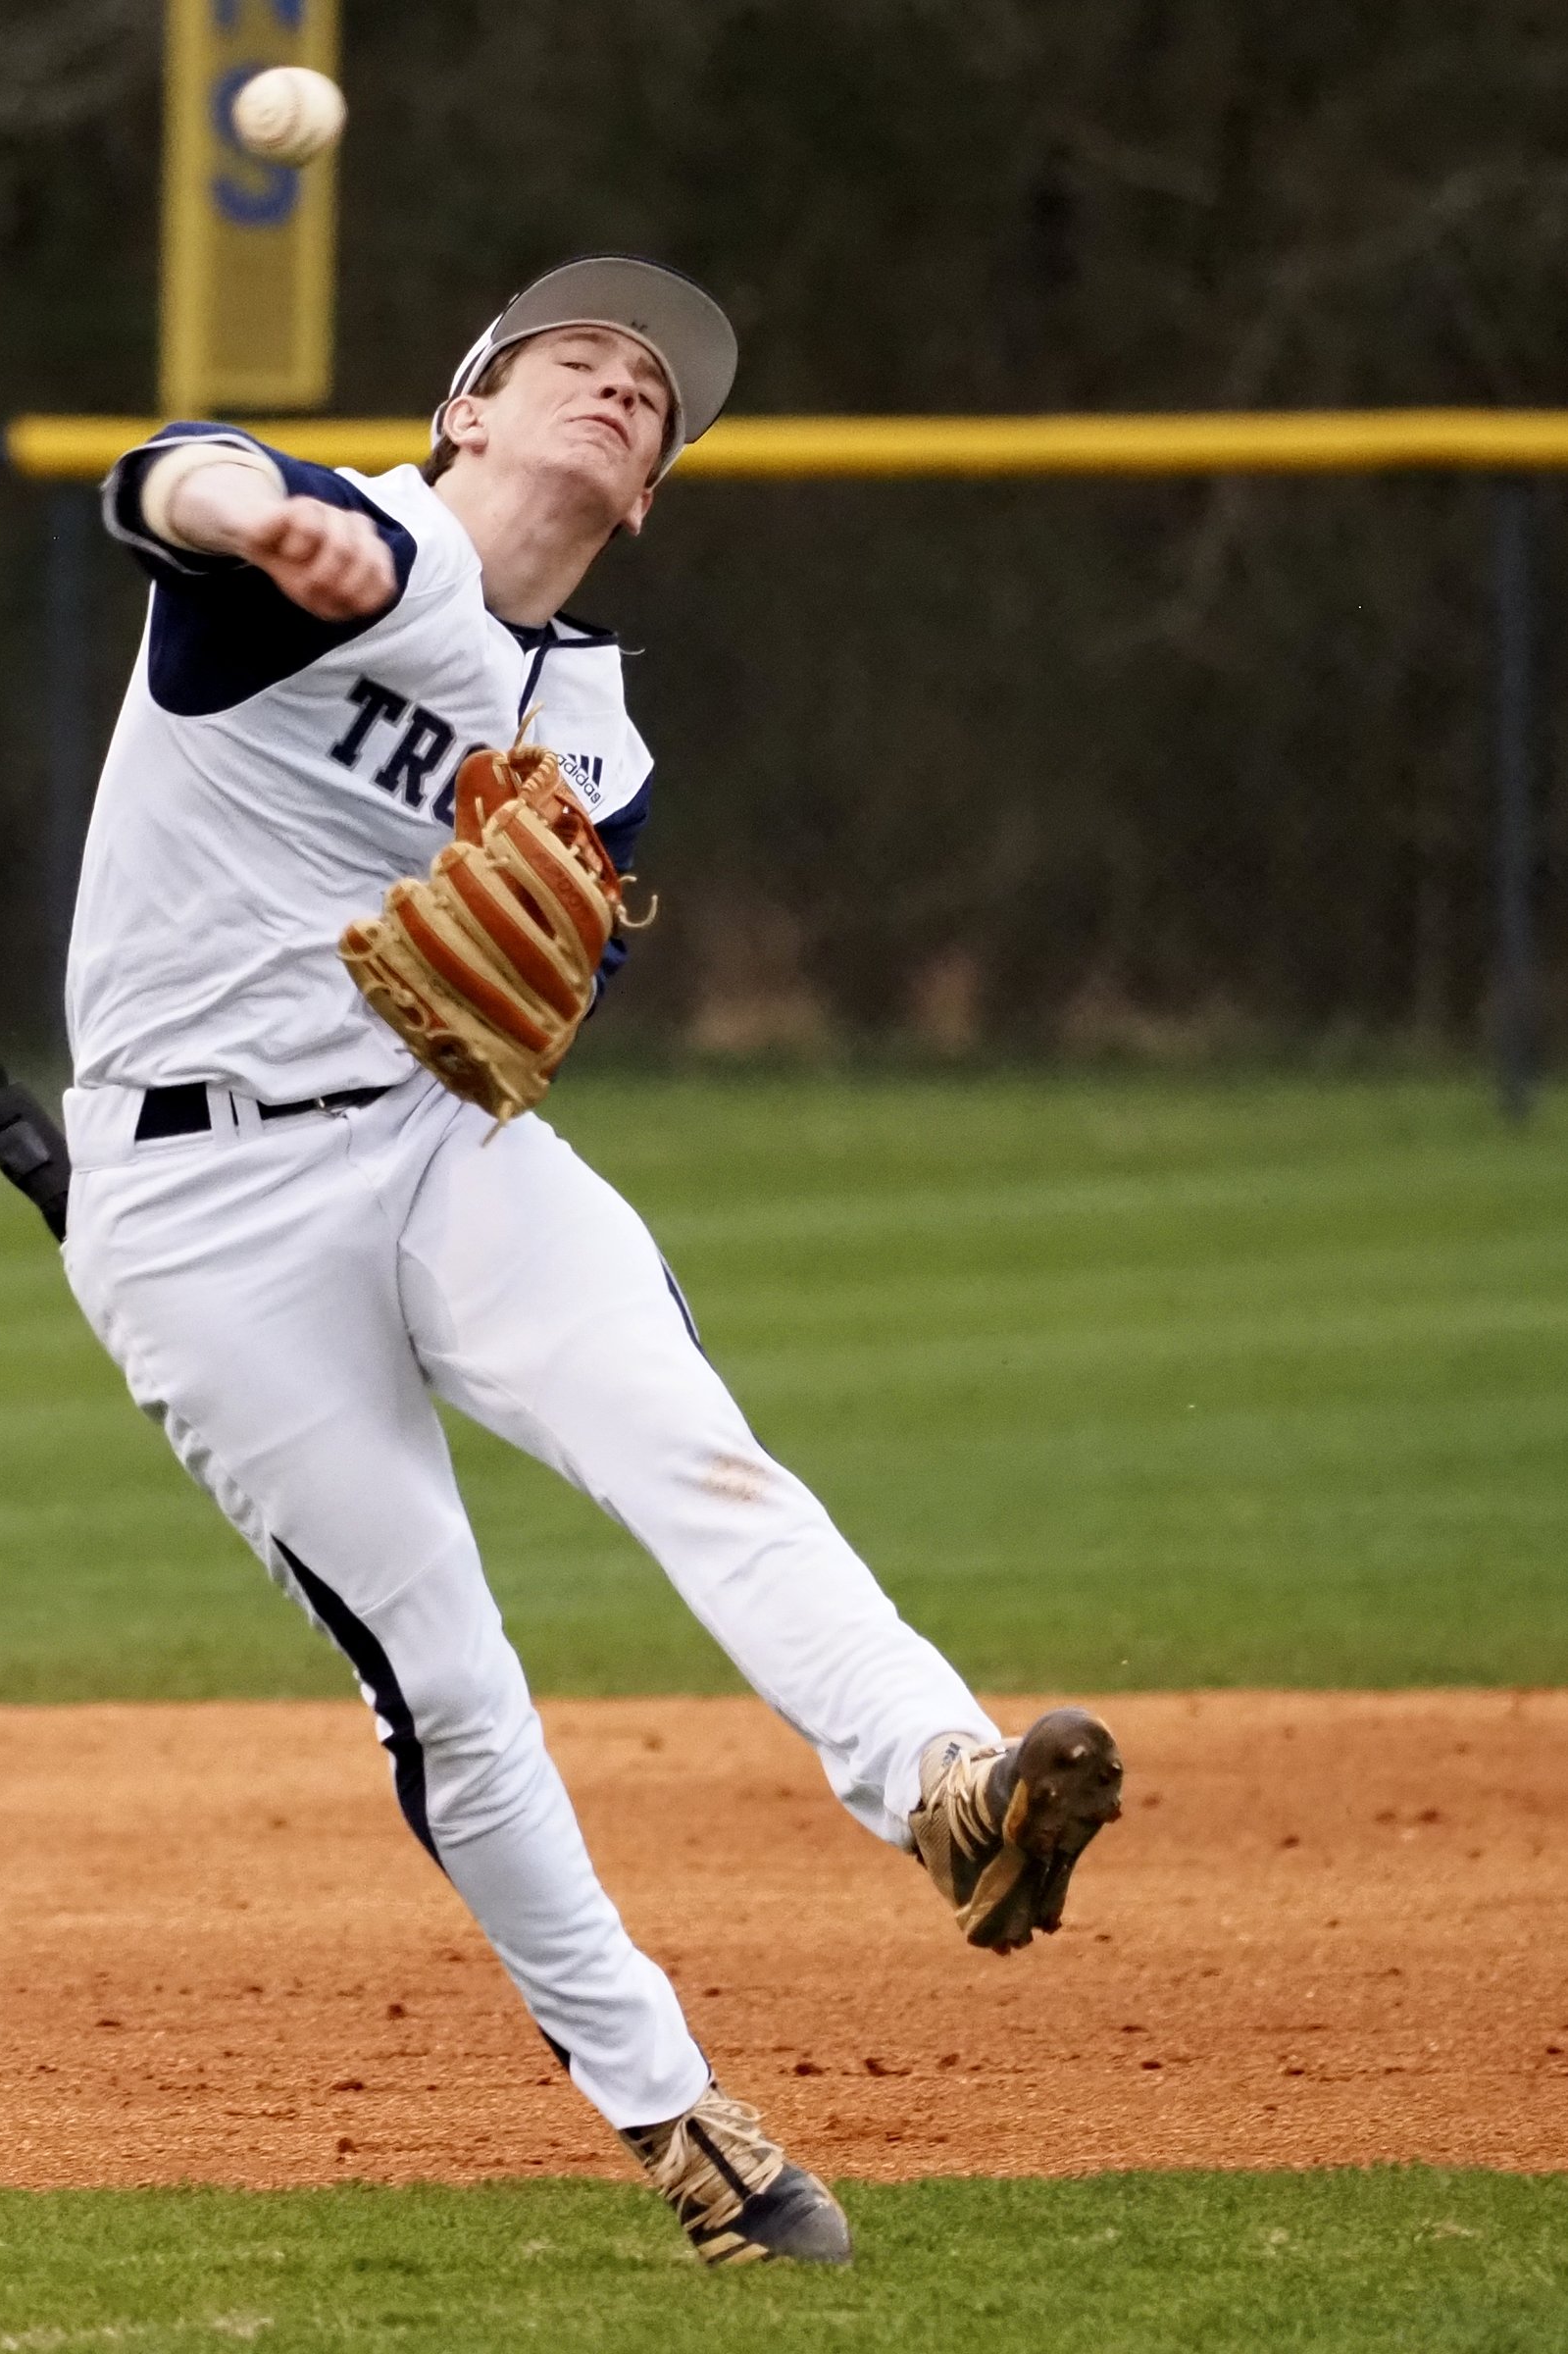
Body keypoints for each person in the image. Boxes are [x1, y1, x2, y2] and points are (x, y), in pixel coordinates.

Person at [59, 255, 1124, 2268]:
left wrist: (563, 971)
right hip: (197, 1208)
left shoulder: (602, 744)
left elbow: (535, 1003)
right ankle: (675, 2118)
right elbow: (157, 478)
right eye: (578, 355)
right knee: (450, 1686)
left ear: (644, 502)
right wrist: (249, 512)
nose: (625, 383)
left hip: (435, 1140)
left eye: (657, 394)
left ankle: (946, 1782)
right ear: (461, 411)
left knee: (689, 1444)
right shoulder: (343, 546)